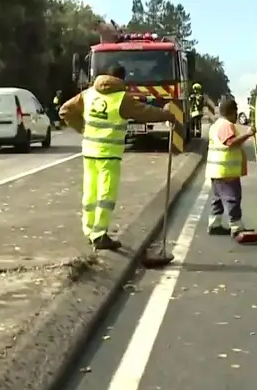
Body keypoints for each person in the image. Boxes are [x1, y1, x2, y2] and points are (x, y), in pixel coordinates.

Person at [59, 63, 177, 250]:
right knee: (106, 195)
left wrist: (82, 128)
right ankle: (100, 235)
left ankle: (89, 230)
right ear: (122, 79)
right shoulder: (122, 98)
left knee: (90, 191)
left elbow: (65, 110)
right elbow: (145, 112)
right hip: (109, 155)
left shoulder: (88, 94)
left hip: (89, 151)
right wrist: (168, 116)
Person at [205, 97, 254, 236]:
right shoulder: (226, 125)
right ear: (233, 112)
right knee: (233, 198)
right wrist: (248, 135)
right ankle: (237, 227)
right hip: (226, 172)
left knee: (218, 199)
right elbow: (230, 142)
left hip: (216, 171)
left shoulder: (216, 125)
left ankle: (215, 224)